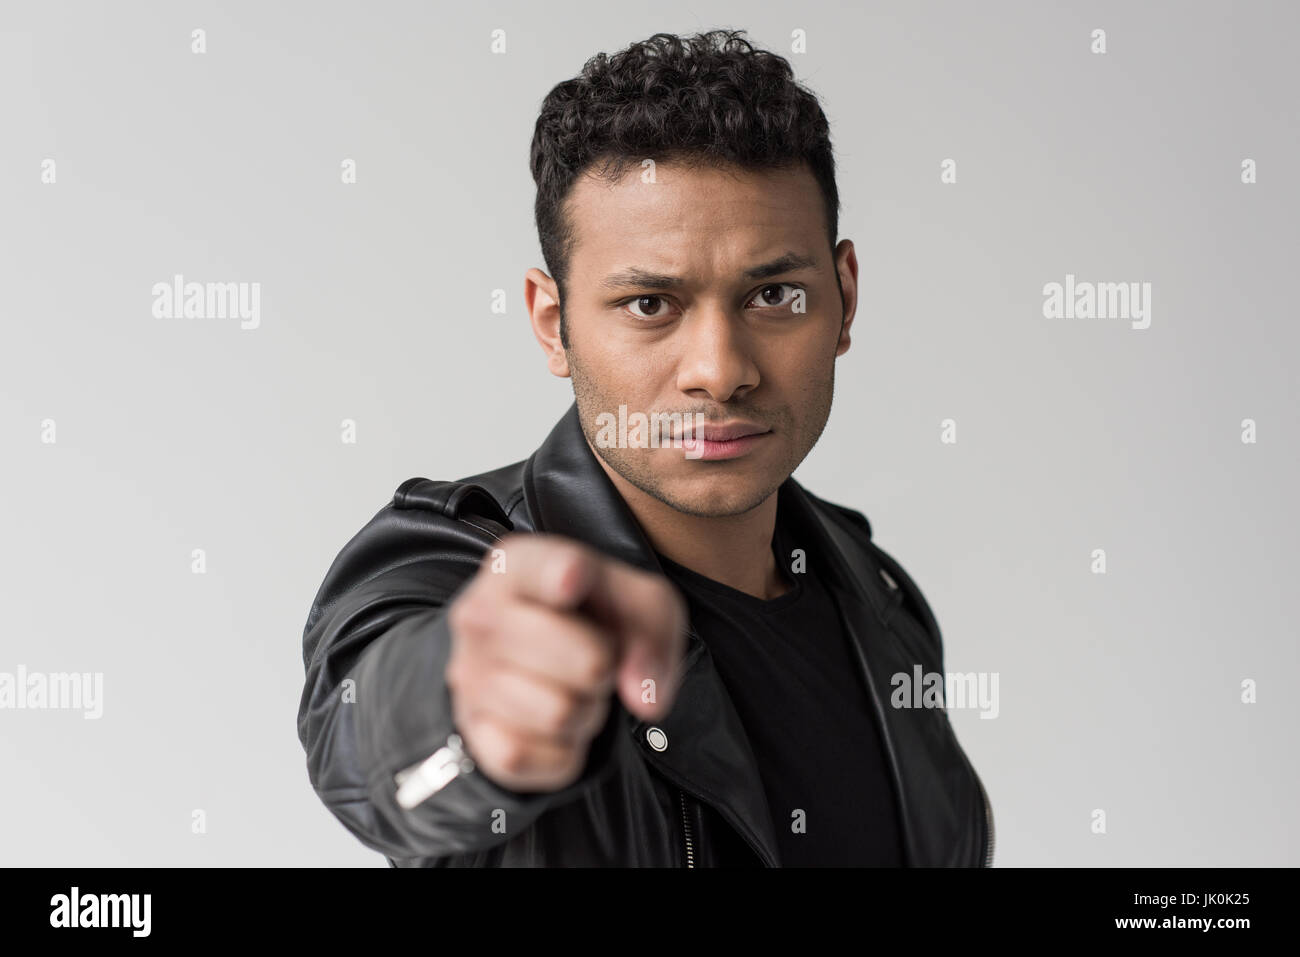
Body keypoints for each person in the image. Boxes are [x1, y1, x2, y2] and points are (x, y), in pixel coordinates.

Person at [297, 28, 992, 867]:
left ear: (843, 299)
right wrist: (469, 712)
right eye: (650, 305)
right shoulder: (460, 561)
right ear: (553, 325)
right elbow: (373, 741)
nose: (720, 371)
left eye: (774, 294)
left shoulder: (878, 594)